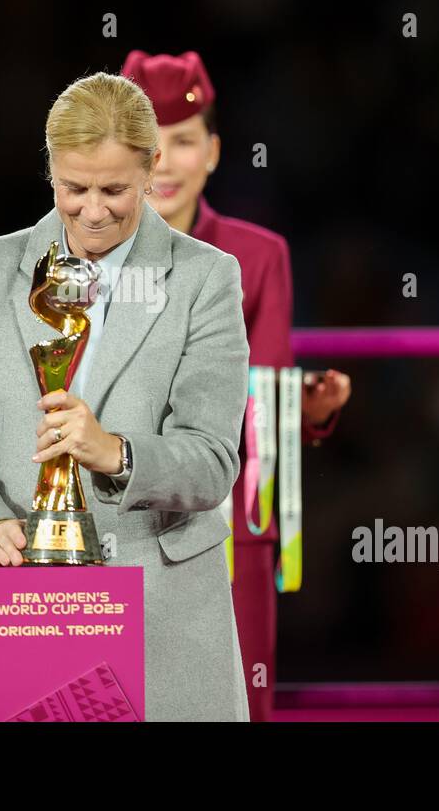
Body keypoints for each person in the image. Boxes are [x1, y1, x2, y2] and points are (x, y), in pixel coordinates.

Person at [0, 71, 250, 720]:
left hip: (158, 598)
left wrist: (115, 452)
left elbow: (211, 462)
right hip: (17, 597)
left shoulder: (207, 278)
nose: (94, 211)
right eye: (75, 188)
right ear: (50, 172)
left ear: (152, 169)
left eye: (115, 190)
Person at [121, 49, 351, 721]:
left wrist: (307, 412)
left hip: (226, 522)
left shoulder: (259, 255)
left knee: (236, 708)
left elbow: (266, 394)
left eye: (183, 142)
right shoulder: (73, 253)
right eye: (146, 143)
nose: (163, 162)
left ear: (215, 152)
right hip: (109, 519)